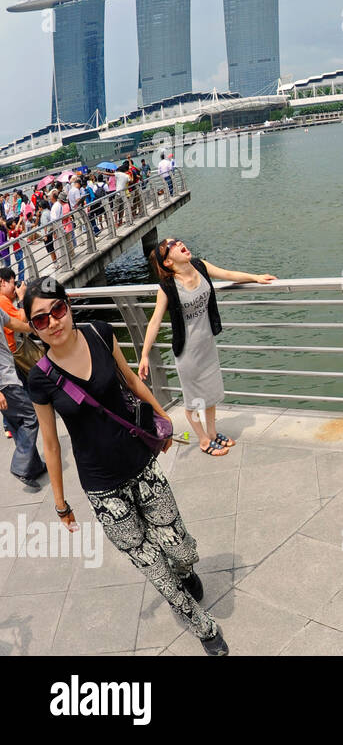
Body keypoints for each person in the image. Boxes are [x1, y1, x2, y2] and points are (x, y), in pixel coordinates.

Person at [24, 277, 227, 655]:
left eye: (57, 310)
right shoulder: (40, 379)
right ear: (34, 328)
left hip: (141, 465)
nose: (52, 322)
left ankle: (186, 570)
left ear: (67, 307)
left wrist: (162, 418)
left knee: (180, 548)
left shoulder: (99, 334)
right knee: (150, 563)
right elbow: (50, 444)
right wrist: (60, 502)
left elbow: (131, 379)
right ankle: (202, 625)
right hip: (102, 488)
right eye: (40, 319)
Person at [139, 238, 277, 456]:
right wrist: (145, 354)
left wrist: (256, 278)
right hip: (188, 353)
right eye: (172, 245)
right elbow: (155, 320)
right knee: (193, 402)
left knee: (210, 394)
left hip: (207, 346)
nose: (178, 243)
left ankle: (212, 433)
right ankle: (203, 440)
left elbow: (228, 274)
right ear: (167, 262)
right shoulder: (167, 287)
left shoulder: (200, 266)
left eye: (177, 241)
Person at [0, 270, 42, 487]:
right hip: (4, 381)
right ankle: (20, 465)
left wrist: (41, 327)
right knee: (31, 418)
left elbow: (16, 324)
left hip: (8, 375)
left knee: (17, 422)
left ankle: (33, 466)